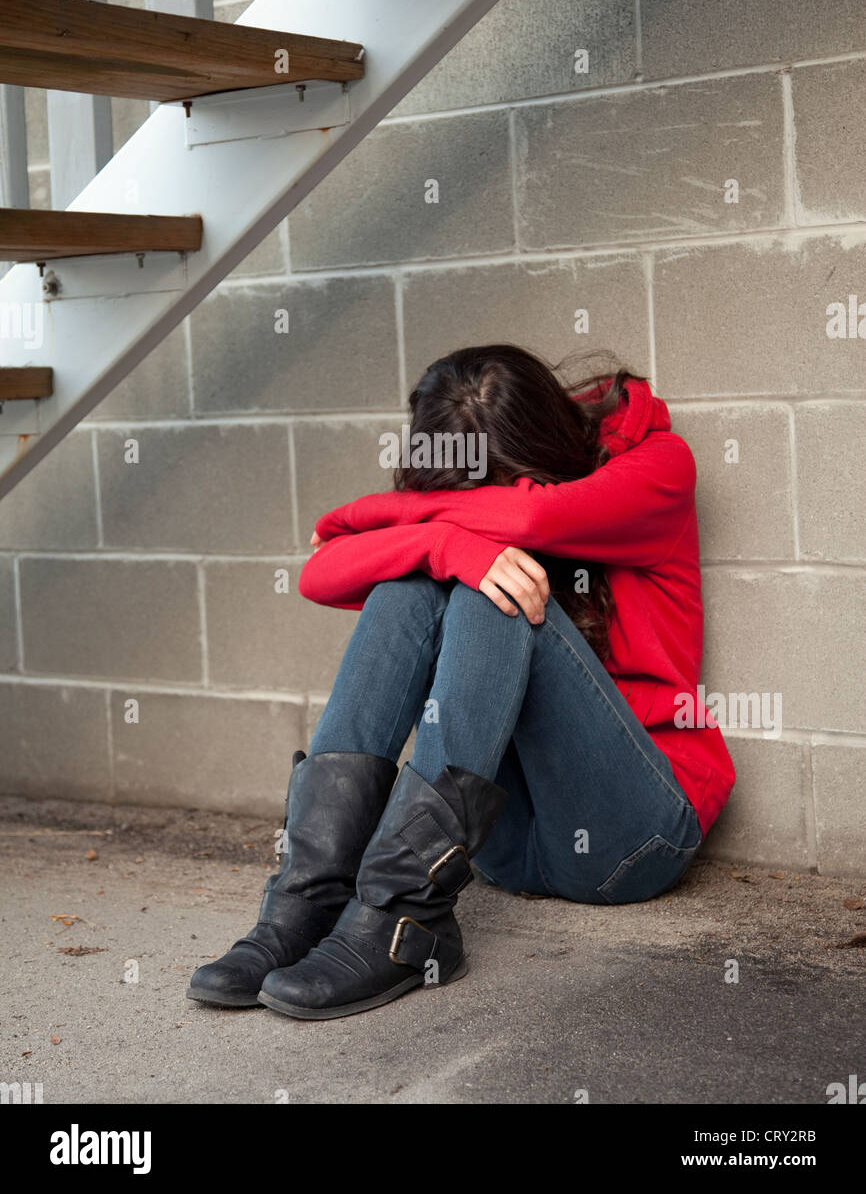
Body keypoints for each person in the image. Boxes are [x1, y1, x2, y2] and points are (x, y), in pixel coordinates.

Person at [188, 345, 735, 1020]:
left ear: (545, 440)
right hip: (501, 848)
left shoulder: (655, 465)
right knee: (415, 583)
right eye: (472, 487)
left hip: (632, 835)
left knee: (494, 587)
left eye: (503, 479)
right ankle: (310, 897)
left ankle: (403, 919)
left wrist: (377, 520)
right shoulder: (472, 520)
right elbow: (319, 575)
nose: (488, 500)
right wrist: (441, 543)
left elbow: (535, 520)